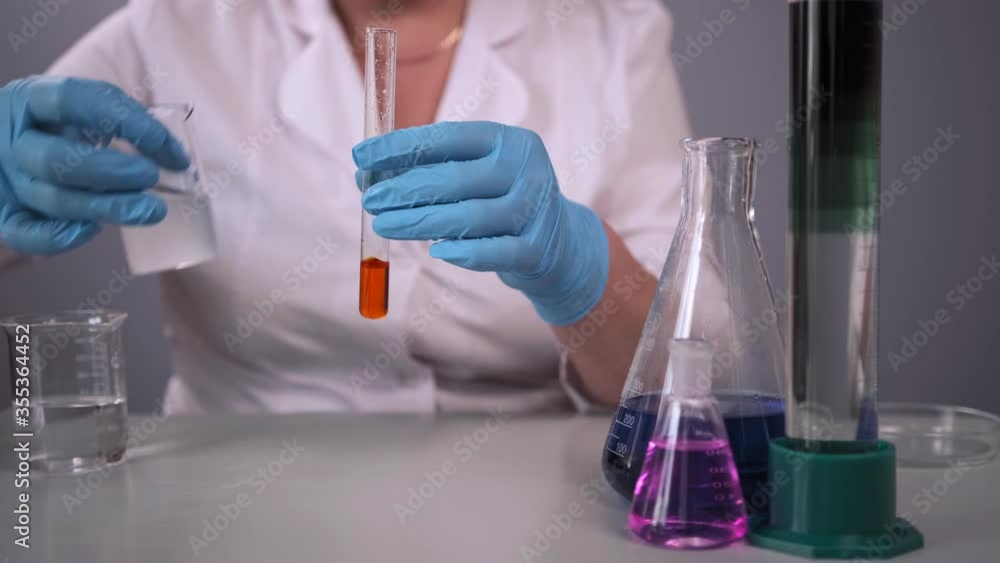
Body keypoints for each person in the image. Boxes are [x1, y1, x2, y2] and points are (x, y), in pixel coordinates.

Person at [0, 0, 689, 414]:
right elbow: (30, 167)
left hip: (530, 505)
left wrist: (584, 273)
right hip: (231, 503)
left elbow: (691, 368)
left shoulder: (610, 34)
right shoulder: (176, 27)